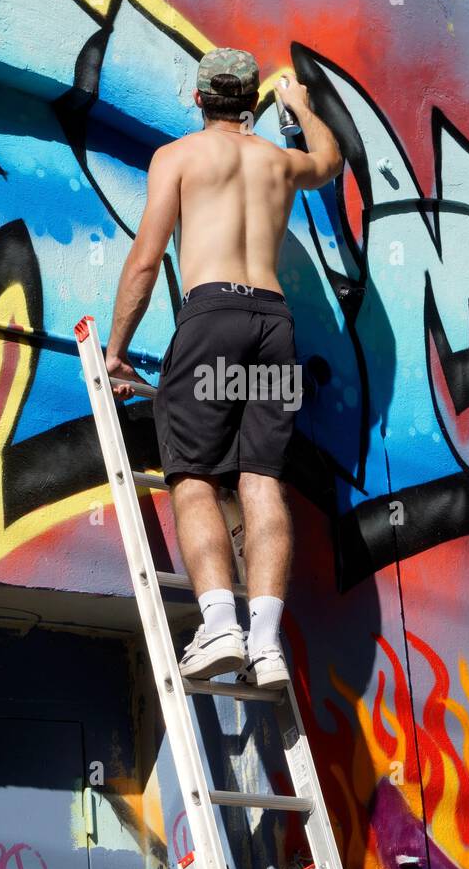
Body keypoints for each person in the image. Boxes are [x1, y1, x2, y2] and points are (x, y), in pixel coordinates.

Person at [104, 48, 342, 687]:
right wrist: (302, 107)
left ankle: (220, 625)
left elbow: (146, 261)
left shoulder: (177, 158)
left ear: (199, 99)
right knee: (262, 480)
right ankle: (266, 643)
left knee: (194, 477)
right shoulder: (279, 163)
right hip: (274, 324)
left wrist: (116, 349)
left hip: (211, 318)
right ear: (249, 104)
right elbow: (330, 160)